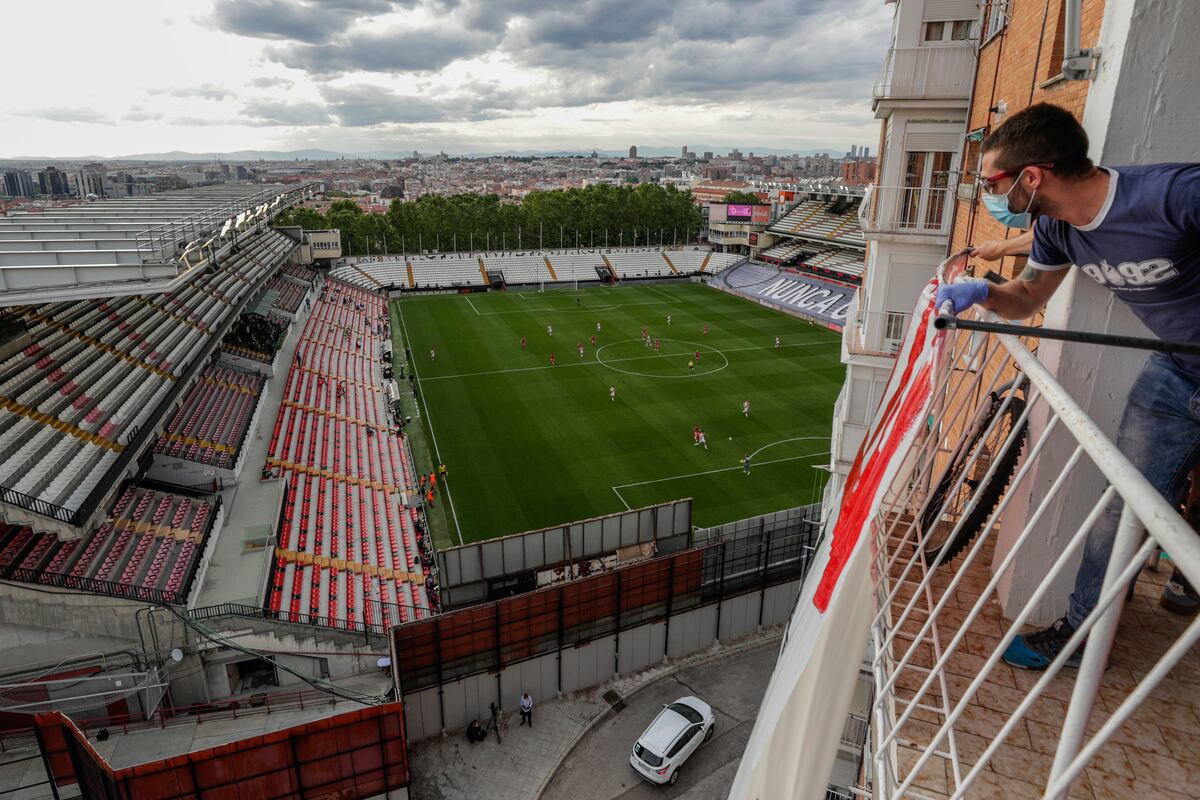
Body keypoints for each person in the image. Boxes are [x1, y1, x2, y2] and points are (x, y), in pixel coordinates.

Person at [935, 103, 1200, 668]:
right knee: (1122, 507)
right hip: (1177, 375)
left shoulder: (1175, 195)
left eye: (993, 183)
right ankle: (1081, 636)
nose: (990, 195)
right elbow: (1029, 299)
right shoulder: (1056, 228)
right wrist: (984, 293)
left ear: (1032, 176)